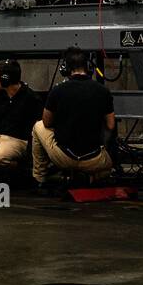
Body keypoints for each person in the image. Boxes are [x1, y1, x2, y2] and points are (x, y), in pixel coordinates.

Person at [32, 47, 115, 188]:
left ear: (65, 68)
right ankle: (97, 175)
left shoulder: (57, 91)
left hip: (64, 158)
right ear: (88, 67)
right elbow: (111, 125)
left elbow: (46, 122)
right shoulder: (103, 91)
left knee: (38, 126)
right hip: (95, 160)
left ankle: (40, 179)